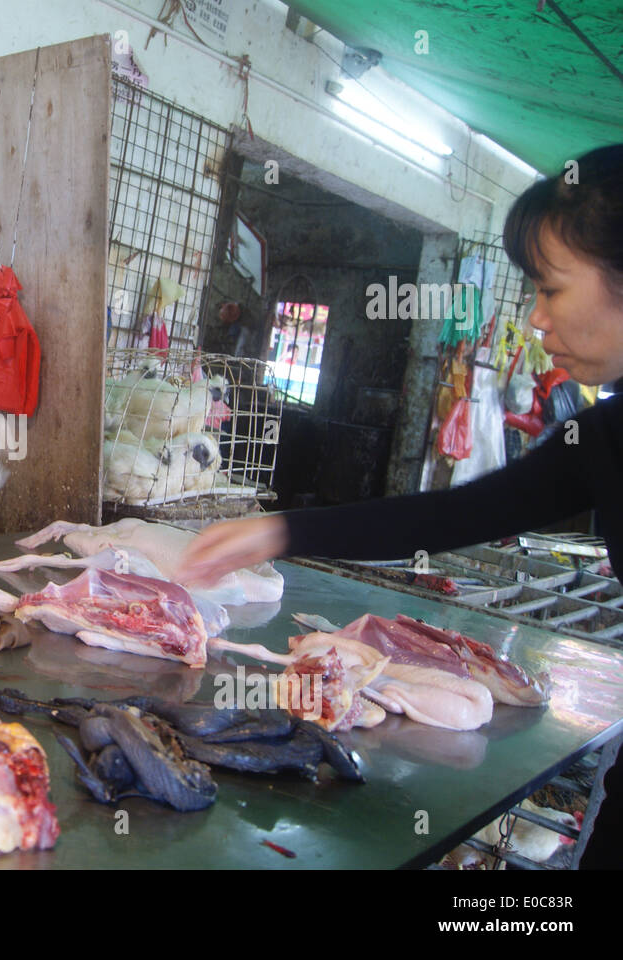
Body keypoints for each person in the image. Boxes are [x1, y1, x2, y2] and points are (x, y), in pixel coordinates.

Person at [182, 143, 623, 868]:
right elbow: (459, 515)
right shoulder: (605, 434)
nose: (538, 320)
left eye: (551, 289)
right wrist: (281, 529)